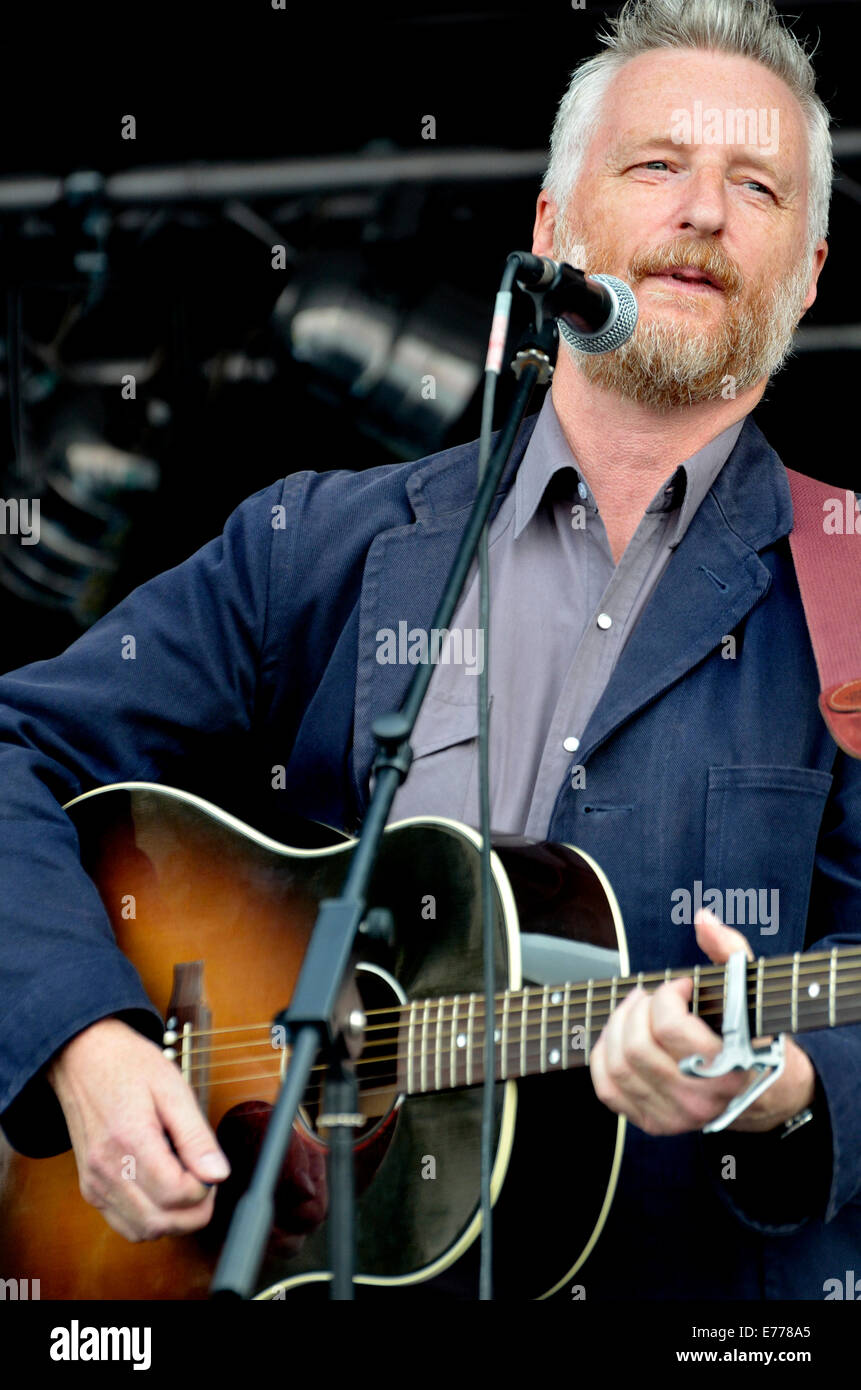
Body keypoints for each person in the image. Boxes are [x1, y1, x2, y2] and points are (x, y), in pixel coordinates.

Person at [0, 0, 858, 1299]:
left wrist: (789, 1091)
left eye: (755, 184)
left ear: (806, 274)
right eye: (654, 164)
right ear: (549, 227)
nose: (701, 211)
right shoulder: (313, 539)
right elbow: (15, 746)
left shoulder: (853, 585)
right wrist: (85, 1035)